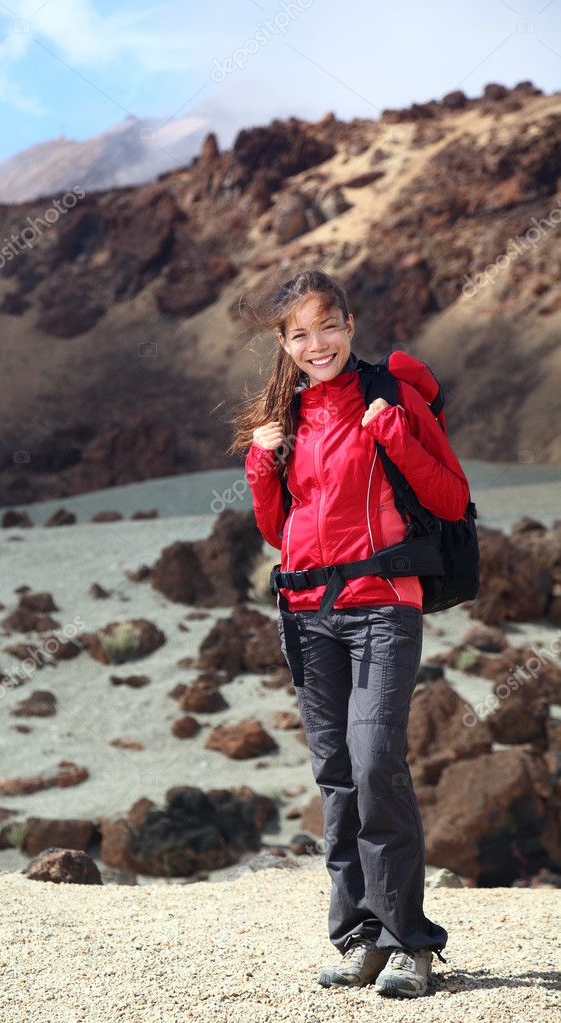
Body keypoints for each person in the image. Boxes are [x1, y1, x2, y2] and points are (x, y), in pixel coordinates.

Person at [228, 268, 470, 999]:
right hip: (307, 614)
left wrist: (395, 434)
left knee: (373, 760)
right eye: (299, 333)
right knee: (335, 773)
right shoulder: (288, 415)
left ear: (350, 324)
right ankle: (359, 934)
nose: (316, 343)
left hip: (384, 605)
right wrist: (258, 465)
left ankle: (409, 943)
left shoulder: (388, 397)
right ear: (284, 341)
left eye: (326, 326)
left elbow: (451, 497)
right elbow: (278, 531)